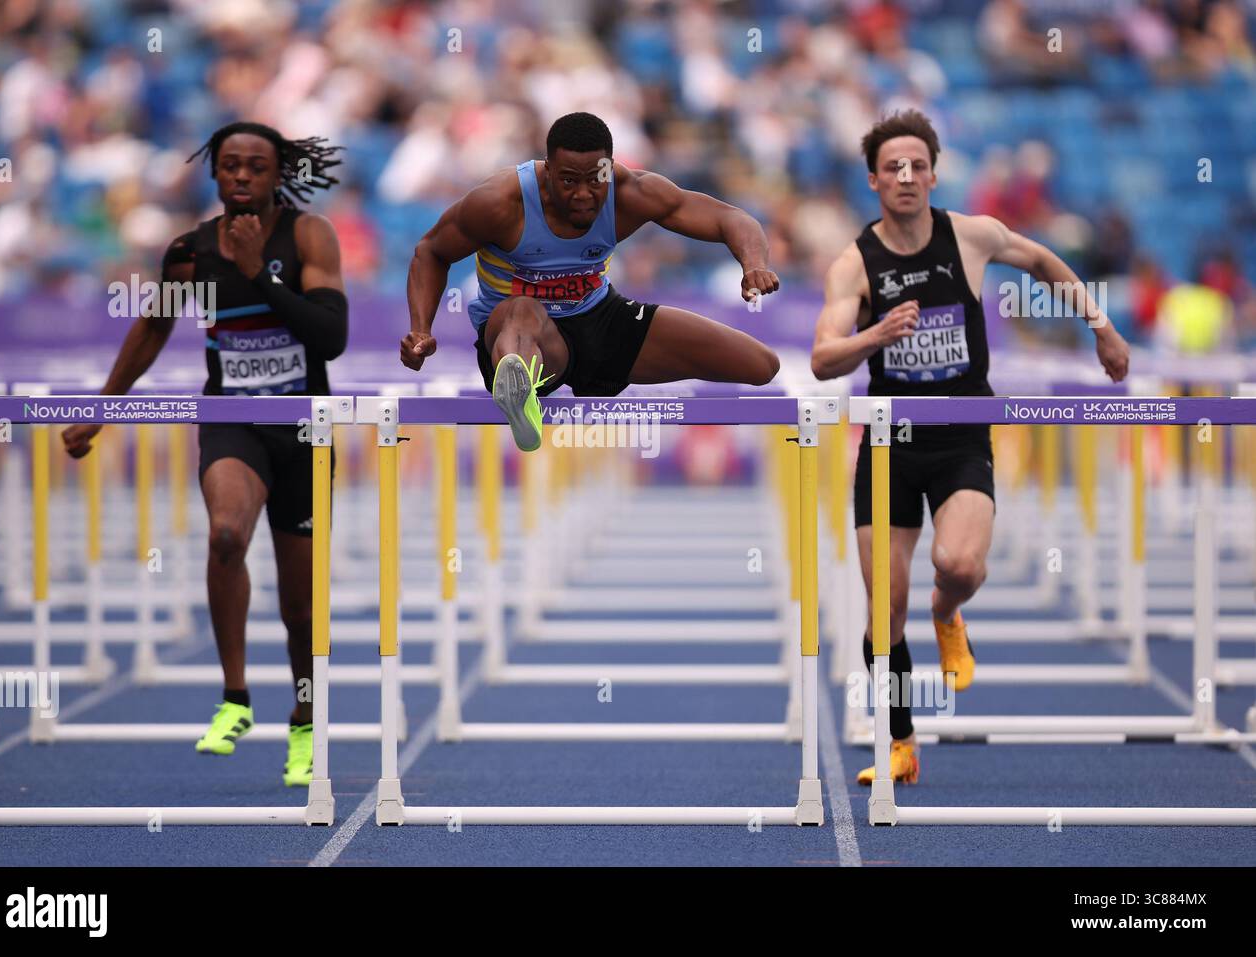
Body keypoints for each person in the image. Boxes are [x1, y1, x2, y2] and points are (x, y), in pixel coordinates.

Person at [810, 109, 1130, 786]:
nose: (906, 176)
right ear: (873, 179)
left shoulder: (972, 236)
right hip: (891, 444)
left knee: (958, 563)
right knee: (881, 606)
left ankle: (948, 612)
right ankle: (900, 740)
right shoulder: (855, 263)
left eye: (917, 165)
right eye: (892, 167)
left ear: (933, 173)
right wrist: (876, 336)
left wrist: (1100, 326)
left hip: (961, 437)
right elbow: (821, 358)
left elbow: (1041, 260)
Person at [62, 122, 348, 787]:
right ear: (214, 174)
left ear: (279, 175)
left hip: (303, 426)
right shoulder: (189, 251)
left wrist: (258, 276)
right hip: (230, 420)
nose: (242, 176)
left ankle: (304, 718)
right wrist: (102, 408)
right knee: (225, 534)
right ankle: (235, 696)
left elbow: (330, 337)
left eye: (255, 166)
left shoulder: (308, 236)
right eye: (229, 166)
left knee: (301, 607)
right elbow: (155, 325)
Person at [399, 111, 782, 450]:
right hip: (524, 334)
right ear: (547, 170)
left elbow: (731, 218)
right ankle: (520, 393)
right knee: (522, 309)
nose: (583, 194)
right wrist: (420, 330)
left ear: (610, 167)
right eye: (567, 181)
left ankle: (561, 374)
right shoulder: (499, 203)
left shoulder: (632, 193)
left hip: (598, 315)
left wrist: (753, 264)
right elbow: (431, 251)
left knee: (760, 365)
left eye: (595, 180)